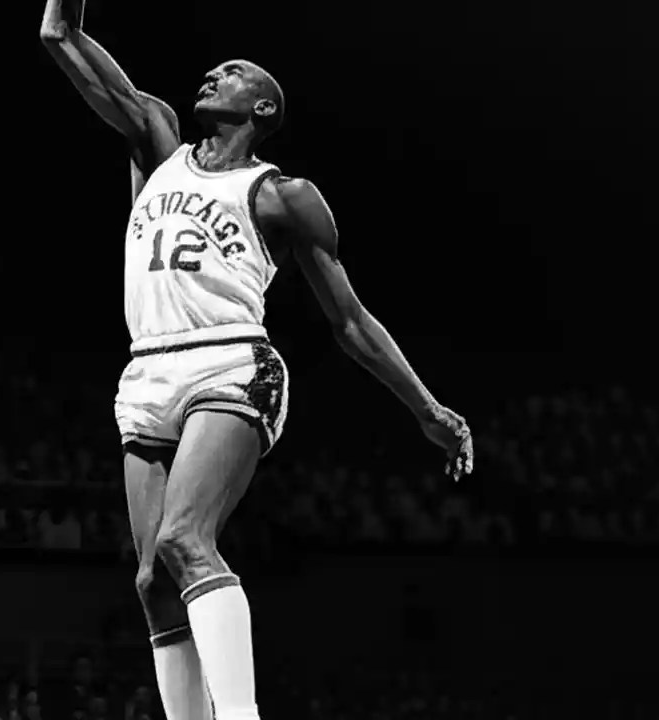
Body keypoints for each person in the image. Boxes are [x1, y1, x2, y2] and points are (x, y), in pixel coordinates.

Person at [39, 3, 476, 720]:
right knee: (151, 579)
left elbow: (351, 321)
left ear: (262, 106)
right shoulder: (156, 138)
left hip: (230, 363)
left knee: (186, 540)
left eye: (232, 72)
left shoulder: (282, 196)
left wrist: (427, 409)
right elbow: (59, 35)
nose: (213, 73)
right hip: (146, 369)